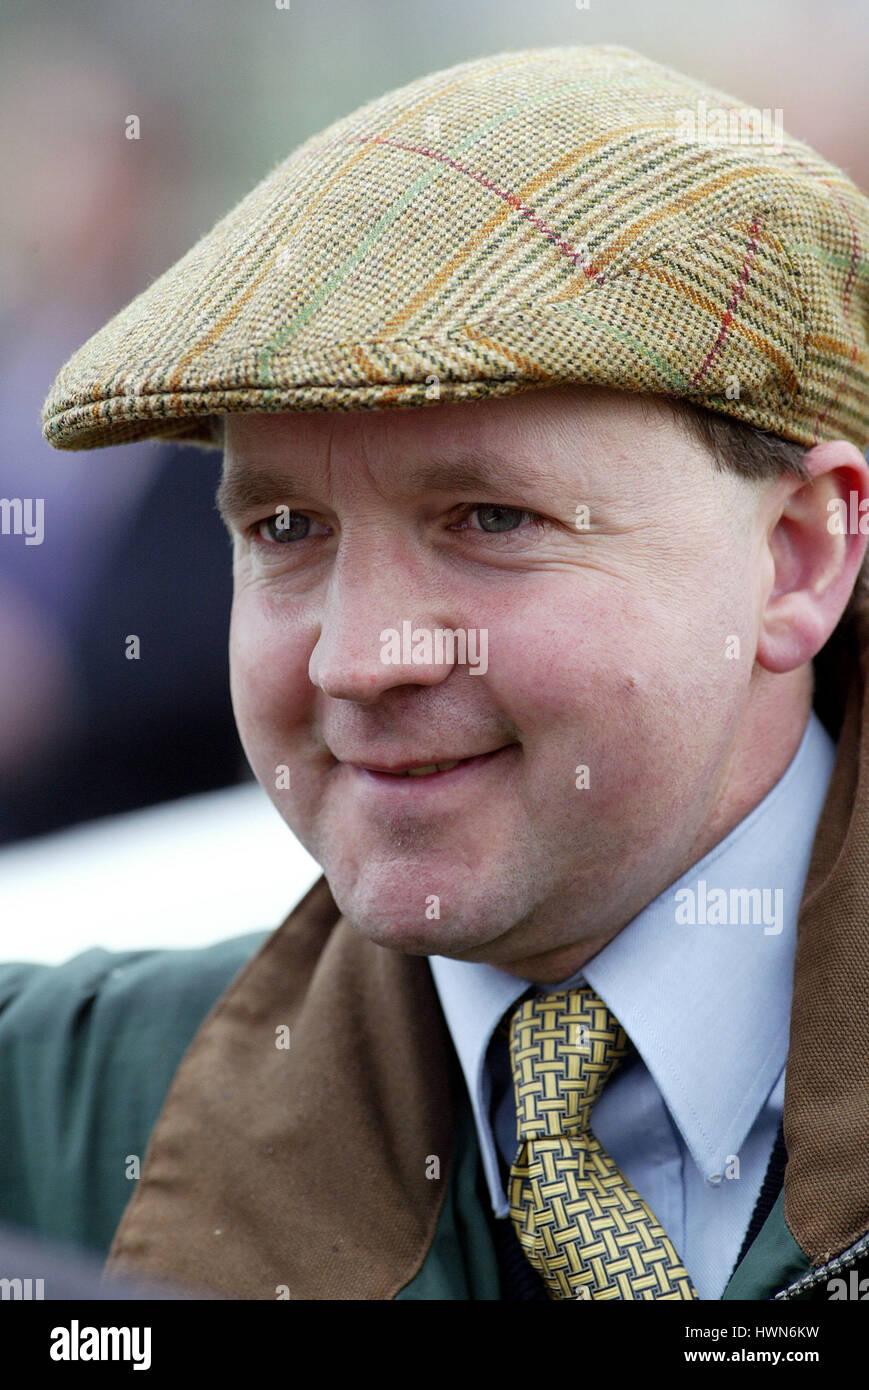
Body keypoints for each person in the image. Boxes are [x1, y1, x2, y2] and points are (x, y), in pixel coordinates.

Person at [4, 44, 869, 1301]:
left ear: (794, 558)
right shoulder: (64, 1113)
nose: (358, 662)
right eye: (284, 530)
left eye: (489, 519)